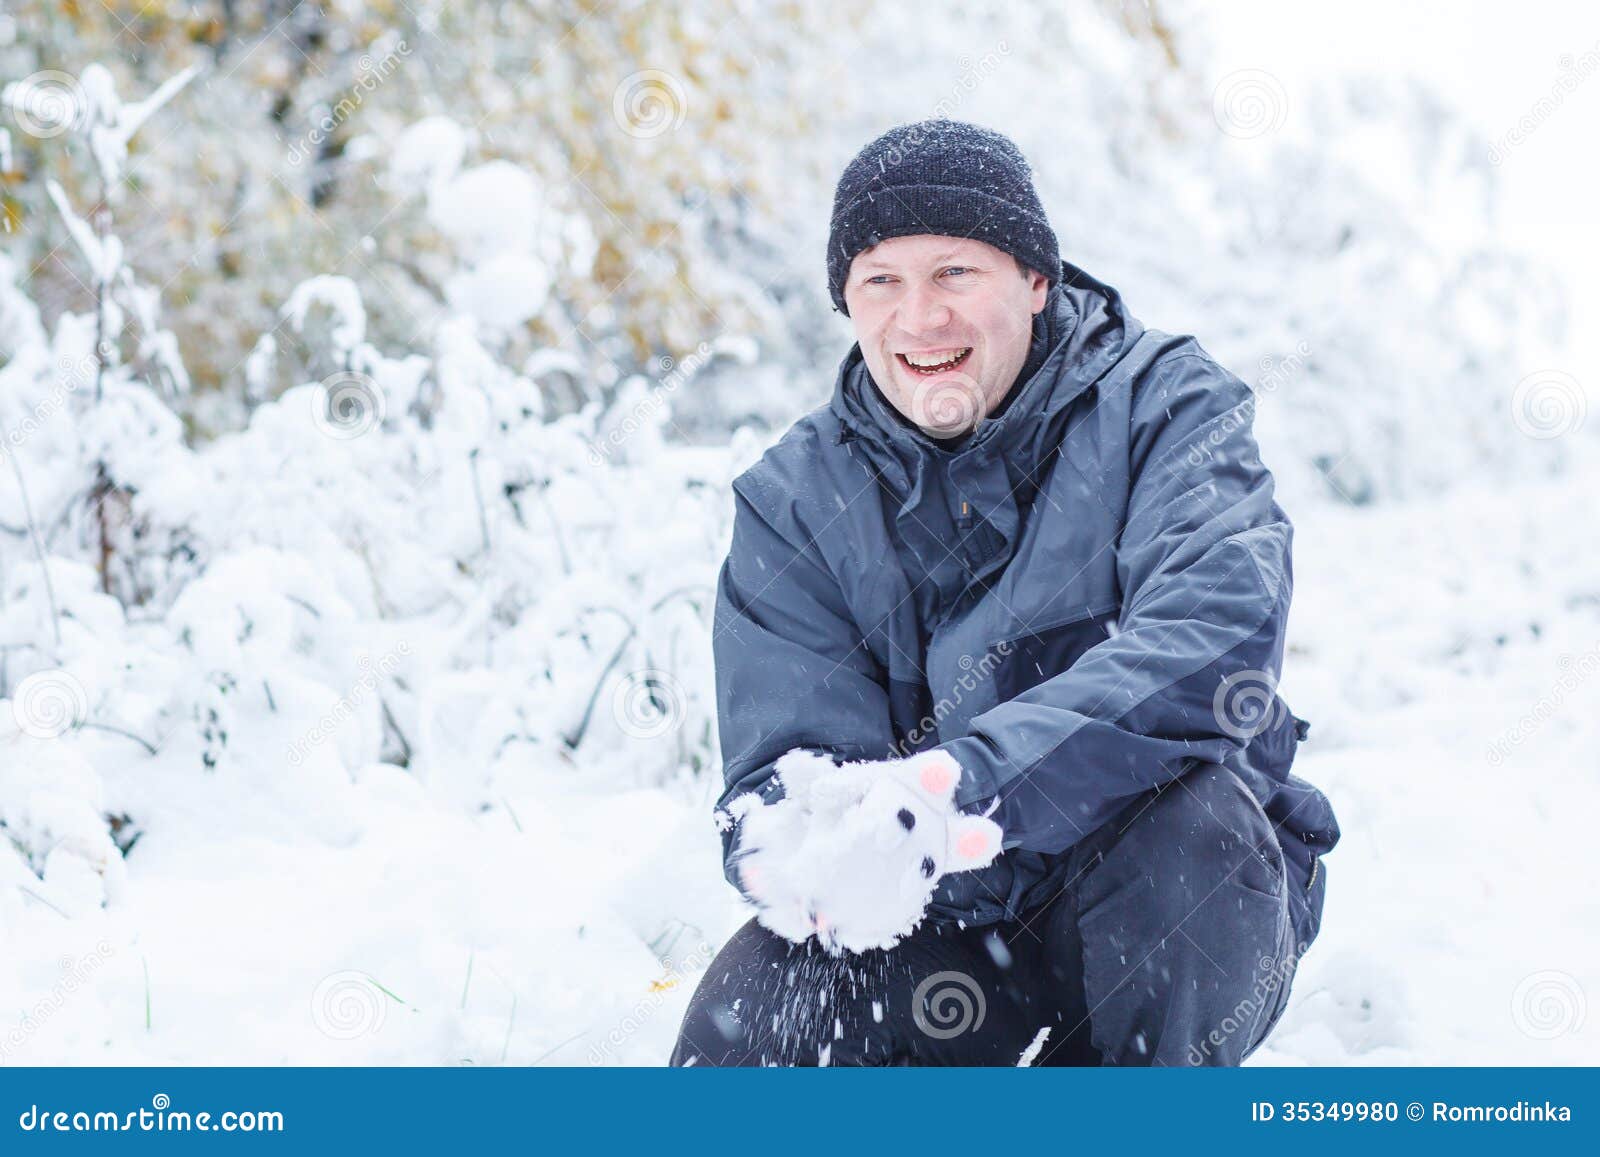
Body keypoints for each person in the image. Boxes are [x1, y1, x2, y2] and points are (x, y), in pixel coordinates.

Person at [670, 119, 1340, 1067]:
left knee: (1192, 842)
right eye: (880, 281)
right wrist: (796, 851)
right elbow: (787, 764)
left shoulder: (1164, 408)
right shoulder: (794, 497)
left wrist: (959, 793)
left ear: (1035, 280)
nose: (919, 318)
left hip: (1168, 900)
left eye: (955, 273)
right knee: (754, 1012)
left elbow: (1210, 639)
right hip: (949, 931)